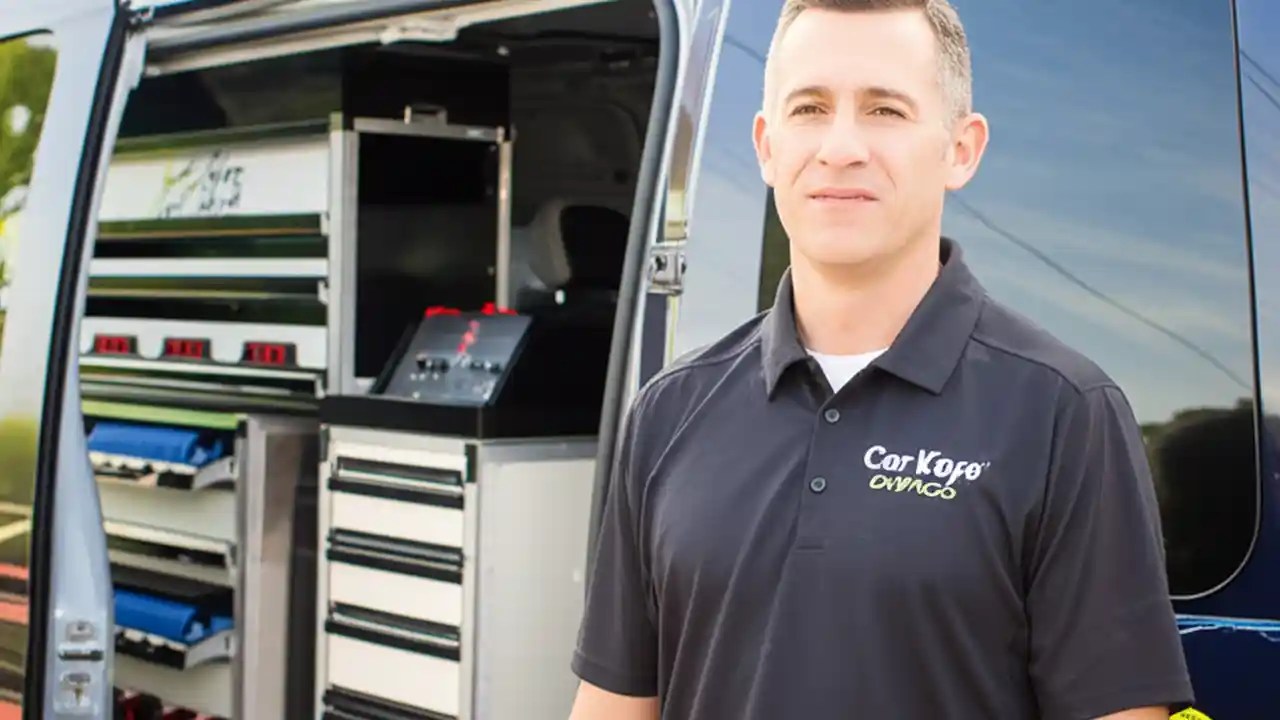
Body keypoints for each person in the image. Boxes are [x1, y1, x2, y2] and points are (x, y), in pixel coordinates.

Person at [567, 0, 1195, 718]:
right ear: (767, 146)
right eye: (810, 108)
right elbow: (615, 705)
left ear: (961, 148)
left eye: (885, 111)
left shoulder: (1064, 413)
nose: (840, 146)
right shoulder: (669, 411)